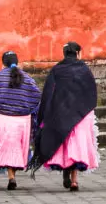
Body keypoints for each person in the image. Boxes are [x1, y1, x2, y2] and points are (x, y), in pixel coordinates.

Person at [30, 42, 98, 192]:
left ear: (64, 53)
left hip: (61, 111)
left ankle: (66, 171)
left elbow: (48, 93)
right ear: (78, 53)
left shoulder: (57, 69)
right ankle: (74, 181)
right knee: (77, 145)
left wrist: (44, 115)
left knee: (65, 142)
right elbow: (91, 92)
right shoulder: (84, 70)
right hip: (81, 113)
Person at [0, 51, 42, 190]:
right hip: (22, 121)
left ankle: (11, 176)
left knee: (7, 148)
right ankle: (12, 175)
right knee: (17, 148)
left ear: (3, 63)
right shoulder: (28, 79)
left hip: (2, 118)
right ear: (17, 62)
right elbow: (36, 96)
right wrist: (26, 108)